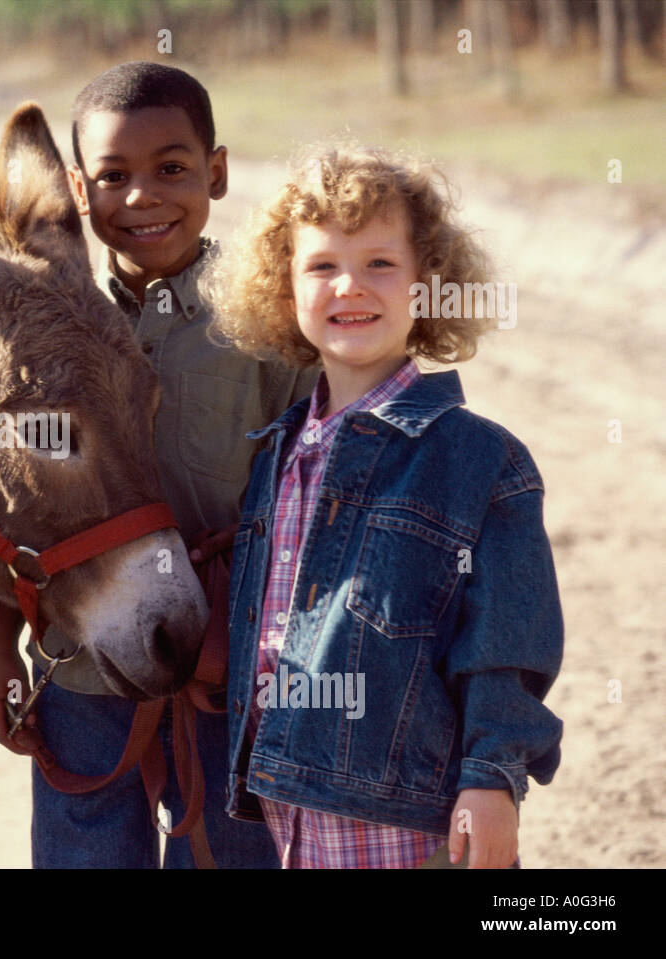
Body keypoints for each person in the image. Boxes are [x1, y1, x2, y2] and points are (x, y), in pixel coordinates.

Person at [0, 61, 313, 868]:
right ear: (76, 188)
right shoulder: (50, 330)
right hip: (81, 669)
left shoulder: (272, 318)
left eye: (171, 169)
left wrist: (259, 644)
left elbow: (311, 494)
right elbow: (17, 500)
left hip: (235, 675)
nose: (141, 197)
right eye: (113, 177)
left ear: (217, 172)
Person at [206, 142, 563, 868]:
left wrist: (494, 779)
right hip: (291, 818)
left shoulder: (479, 460)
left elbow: (507, 648)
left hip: (410, 828)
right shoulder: (275, 454)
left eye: (380, 264)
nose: (350, 287)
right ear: (284, 290)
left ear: (428, 286)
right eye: (322, 265)